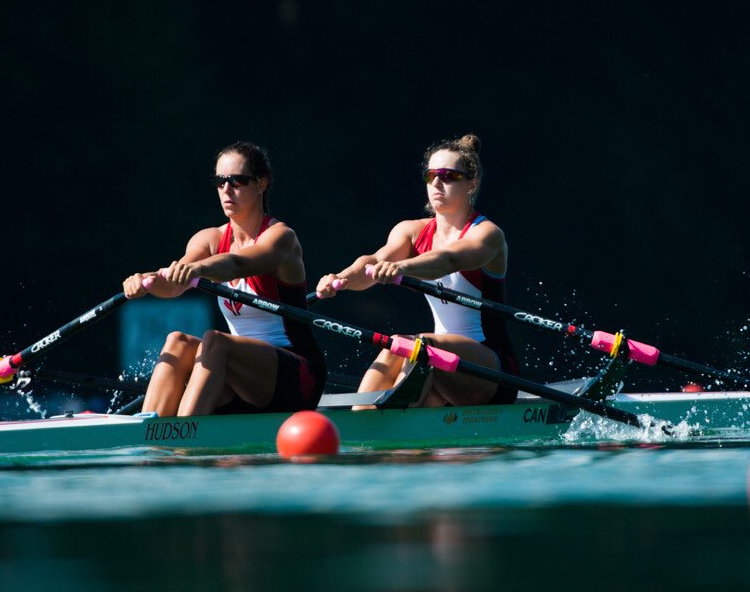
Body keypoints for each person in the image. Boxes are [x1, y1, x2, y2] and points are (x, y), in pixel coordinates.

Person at [123, 141, 326, 417]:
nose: (227, 190)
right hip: (242, 376)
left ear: (261, 184)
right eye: (220, 182)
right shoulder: (209, 239)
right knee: (177, 341)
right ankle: (147, 438)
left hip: (299, 376)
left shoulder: (281, 238)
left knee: (216, 342)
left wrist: (198, 269)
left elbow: (237, 264)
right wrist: (144, 281)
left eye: (238, 181)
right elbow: (173, 283)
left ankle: (182, 441)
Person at [315, 134, 518, 407]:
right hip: (438, 365)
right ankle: (361, 418)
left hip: (493, 371)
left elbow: (447, 260)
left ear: (472, 183)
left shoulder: (487, 235)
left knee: (418, 346)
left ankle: (394, 413)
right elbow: (372, 262)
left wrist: (400, 267)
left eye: (448, 176)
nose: (436, 182)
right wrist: (340, 278)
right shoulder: (410, 231)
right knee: (396, 344)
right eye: (431, 175)